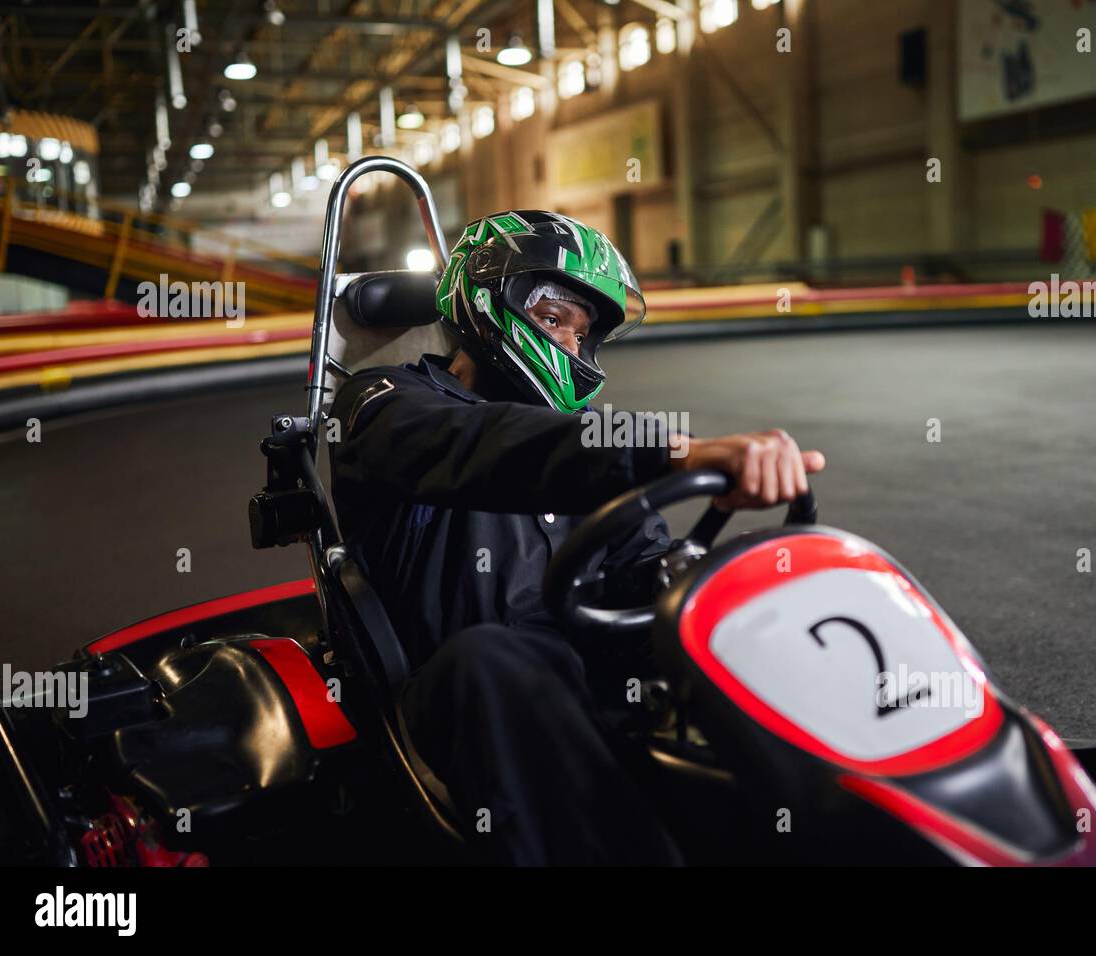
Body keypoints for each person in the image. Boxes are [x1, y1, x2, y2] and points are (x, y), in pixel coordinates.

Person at [329, 210, 824, 864]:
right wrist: (670, 450)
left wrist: (701, 583)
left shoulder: (582, 439)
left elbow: (639, 555)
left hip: (584, 686)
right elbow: (479, 445)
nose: (568, 346)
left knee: (754, 612)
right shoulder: (384, 400)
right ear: (488, 296)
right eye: (555, 318)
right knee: (494, 658)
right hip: (454, 696)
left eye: (583, 332)